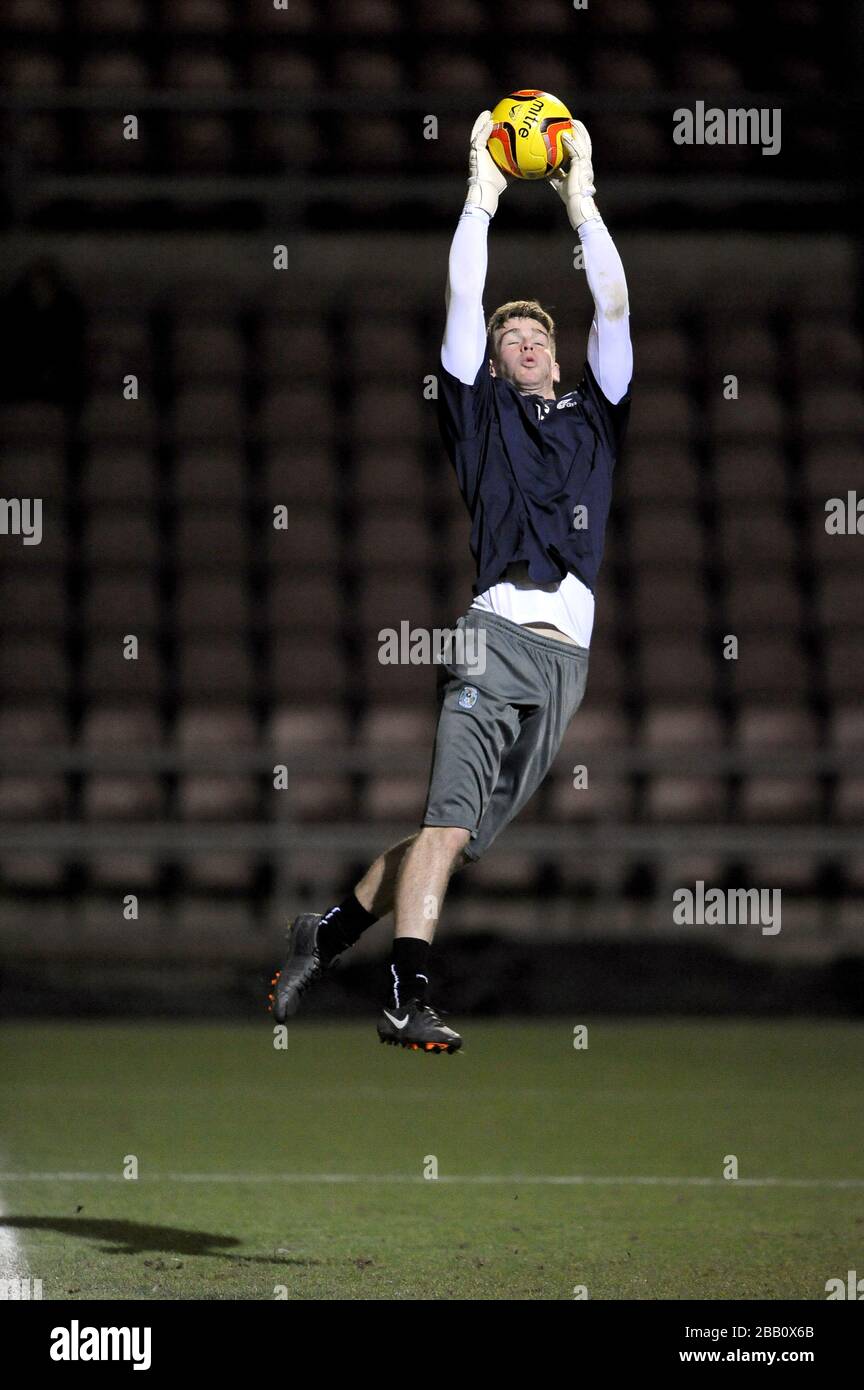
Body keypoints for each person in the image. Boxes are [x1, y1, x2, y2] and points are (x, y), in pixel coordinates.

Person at [270, 112, 633, 1054]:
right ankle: (405, 996)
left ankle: (331, 931)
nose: (521, 340)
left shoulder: (597, 415)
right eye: (508, 333)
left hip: (567, 666)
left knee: (456, 835)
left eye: (534, 333)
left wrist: (581, 204)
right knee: (443, 821)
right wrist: (483, 193)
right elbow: (463, 296)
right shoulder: (479, 417)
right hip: (493, 636)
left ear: (557, 353)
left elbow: (617, 309)